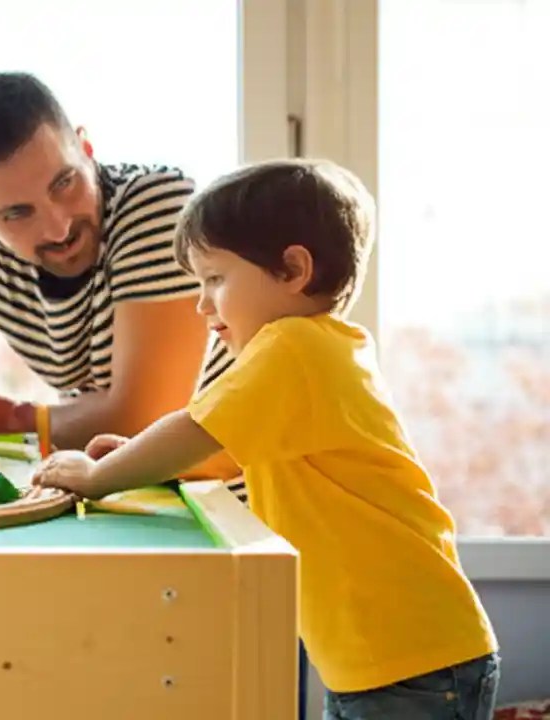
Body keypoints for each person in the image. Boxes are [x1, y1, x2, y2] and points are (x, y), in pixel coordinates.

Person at [32, 158, 501, 719]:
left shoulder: (293, 349)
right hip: (397, 657)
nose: (202, 303)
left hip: (412, 663)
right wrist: (143, 461)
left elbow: (194, 428)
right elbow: (222, 451)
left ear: (293, 270)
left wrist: (99, 476)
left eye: (215, 279)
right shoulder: (321, 352)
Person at [0, 71, 239, 486]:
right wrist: (30, 421)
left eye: (64, 183)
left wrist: (13, 419)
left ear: (86, 148)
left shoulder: (156, 205)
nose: (57, 227)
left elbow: (143, 420)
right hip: (115, 493)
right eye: (16, 213)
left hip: (226, 505)